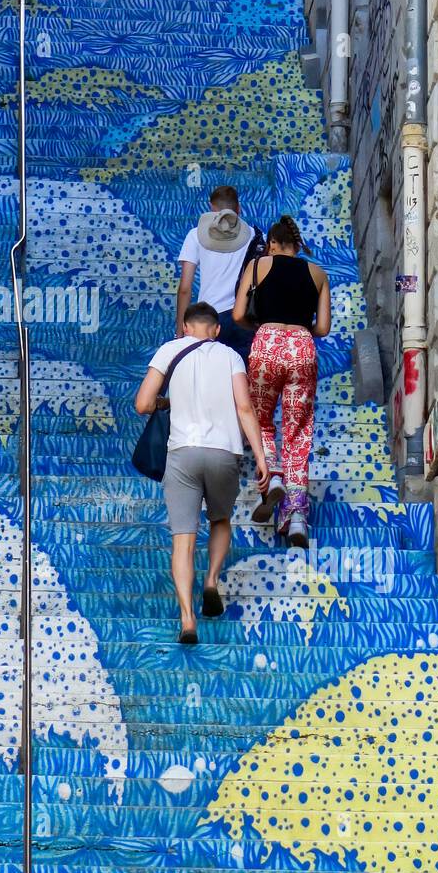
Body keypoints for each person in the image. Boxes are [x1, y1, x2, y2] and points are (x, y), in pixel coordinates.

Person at [135, 302, 270, 644]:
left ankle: (187, 618)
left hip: (182, 453)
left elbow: (142, 404)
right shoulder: (230, 357)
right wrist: (262, 457)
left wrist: (165, 404)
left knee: (183, 539)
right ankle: (211, 579)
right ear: (216, 329)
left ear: (185, 327)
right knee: (220, 519)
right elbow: (244, 407)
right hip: (224, 452)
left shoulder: (169, 350)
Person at [233, 215, 331, 550]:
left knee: (260, 420)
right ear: (295, 244)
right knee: (298, 431)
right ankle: (297, 518)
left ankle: (272, 473)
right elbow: (323, 329)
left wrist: (258, 327)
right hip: (302, 347)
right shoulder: (318, 273)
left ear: (272, 245)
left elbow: (236, 315)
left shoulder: (259, 265)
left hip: (267, 344)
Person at [176, 185, 265, 366]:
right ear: (238, 208)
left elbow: (185, 289)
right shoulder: (255, 235)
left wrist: (180, 331)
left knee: (207, 382)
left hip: (206, 319)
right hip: (242, 318)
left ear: (211, 207)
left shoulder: (195, 236)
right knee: (240, 383)